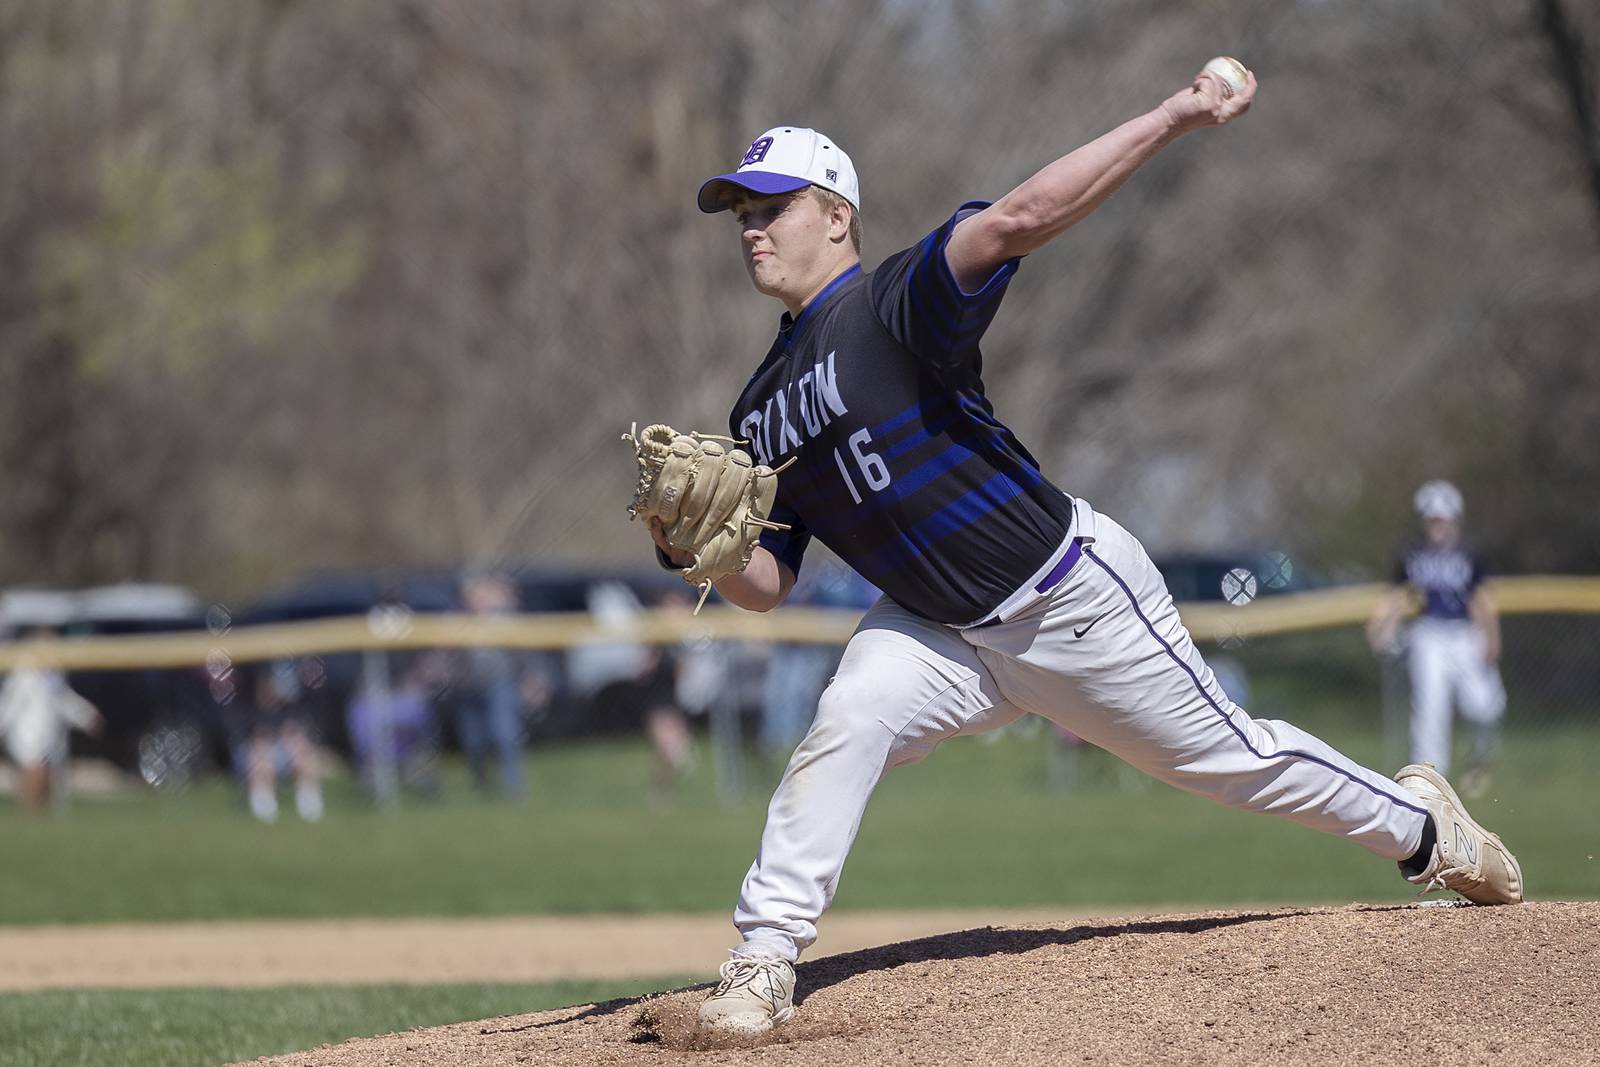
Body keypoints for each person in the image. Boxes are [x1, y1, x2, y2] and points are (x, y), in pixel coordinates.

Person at [647, 61, 1524, 1037]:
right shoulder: (757, 407)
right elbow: (769, 584)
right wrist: (702, 550)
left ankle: (1421, 826)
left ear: (837, 215)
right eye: (740, 212)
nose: (751, 226)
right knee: (847, 713)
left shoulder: (894, 303)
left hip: (1066, 595)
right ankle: (764, 956)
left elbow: (1019, 217)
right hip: (935, 629)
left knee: (1231, 761)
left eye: (771, 205)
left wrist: (1173, 115)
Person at [1367, 481, 1506, 795]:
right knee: (1430, 709)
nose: (1437, 525)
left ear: (1455, 518)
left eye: (1442, 519)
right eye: (1432, 519)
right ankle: (1430, 785)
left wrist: (1492, 636)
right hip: (1428, 635)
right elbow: (1396, 594)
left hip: (1466, 634)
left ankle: (1479, 761)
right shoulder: (1412, 553)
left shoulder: (1469, 553)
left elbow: (1480, 598)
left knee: (1485, 706)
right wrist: (1381, 623)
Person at [0, 627, 104, 813]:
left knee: (45, 780)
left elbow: (63, 700)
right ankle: (27, 813)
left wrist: (86, 717)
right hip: (26, 734)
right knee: (34, 773)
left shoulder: (52, 672)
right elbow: (10, 703)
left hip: (47, 735)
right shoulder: (24, 671)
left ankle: (34, 816)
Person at [454, 573, 528, 799]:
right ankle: (481, 786)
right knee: (473, 742)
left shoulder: (504, 620)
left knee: (505, 735)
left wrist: (530, 679)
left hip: (500, 683)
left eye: (481, 595)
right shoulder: (457, 621)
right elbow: (445, 658)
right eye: (472, 596)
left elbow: (524, 653)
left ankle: (513, 789)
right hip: (468, 688)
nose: (477, 600)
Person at [241, 658, 325, 823]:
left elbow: (302, 734)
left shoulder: (293, 707)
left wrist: (293, 738)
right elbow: (254, 738)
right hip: (255, 757)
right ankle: (264, 810)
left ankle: (310, 808)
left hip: (284, 754)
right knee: (260, 753)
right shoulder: (251, 705)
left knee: (304, 752)